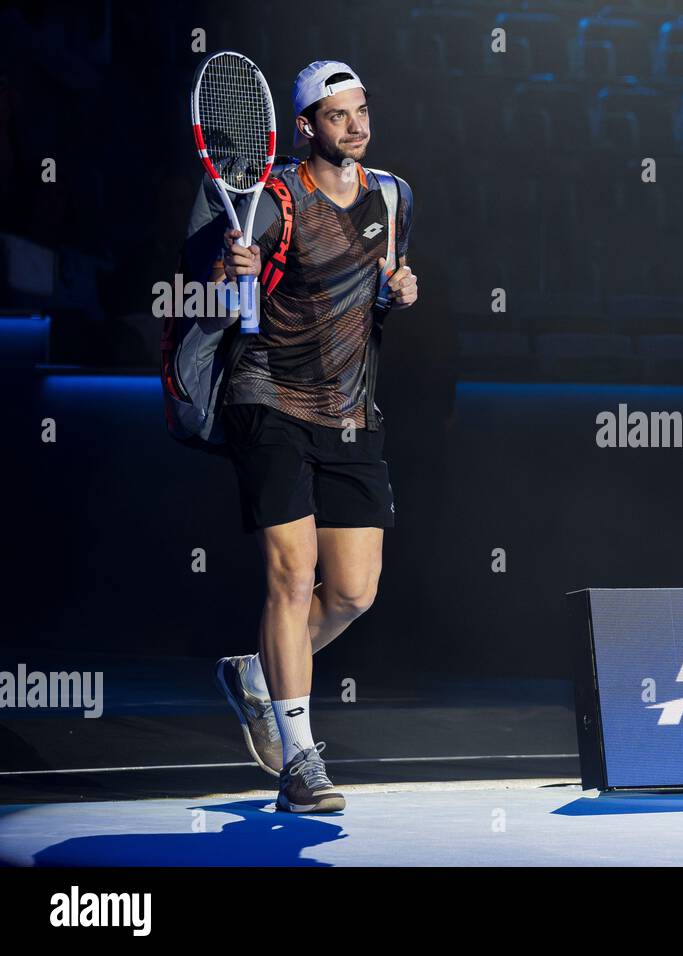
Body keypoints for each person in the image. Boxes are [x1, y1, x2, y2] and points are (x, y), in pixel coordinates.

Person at [186, 60, 417, 812]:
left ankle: (255, 675)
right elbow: (216, 289)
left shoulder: (392, 195)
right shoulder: (275, 198)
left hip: (352, 413)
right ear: (306, 127)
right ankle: (300, 761)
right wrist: (234, 271)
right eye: (338, 115)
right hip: (271, 402)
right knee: (291, 576)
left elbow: (381, 278)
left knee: (353, 591)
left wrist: (400, 288)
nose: (356, 125)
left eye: (362, 110)